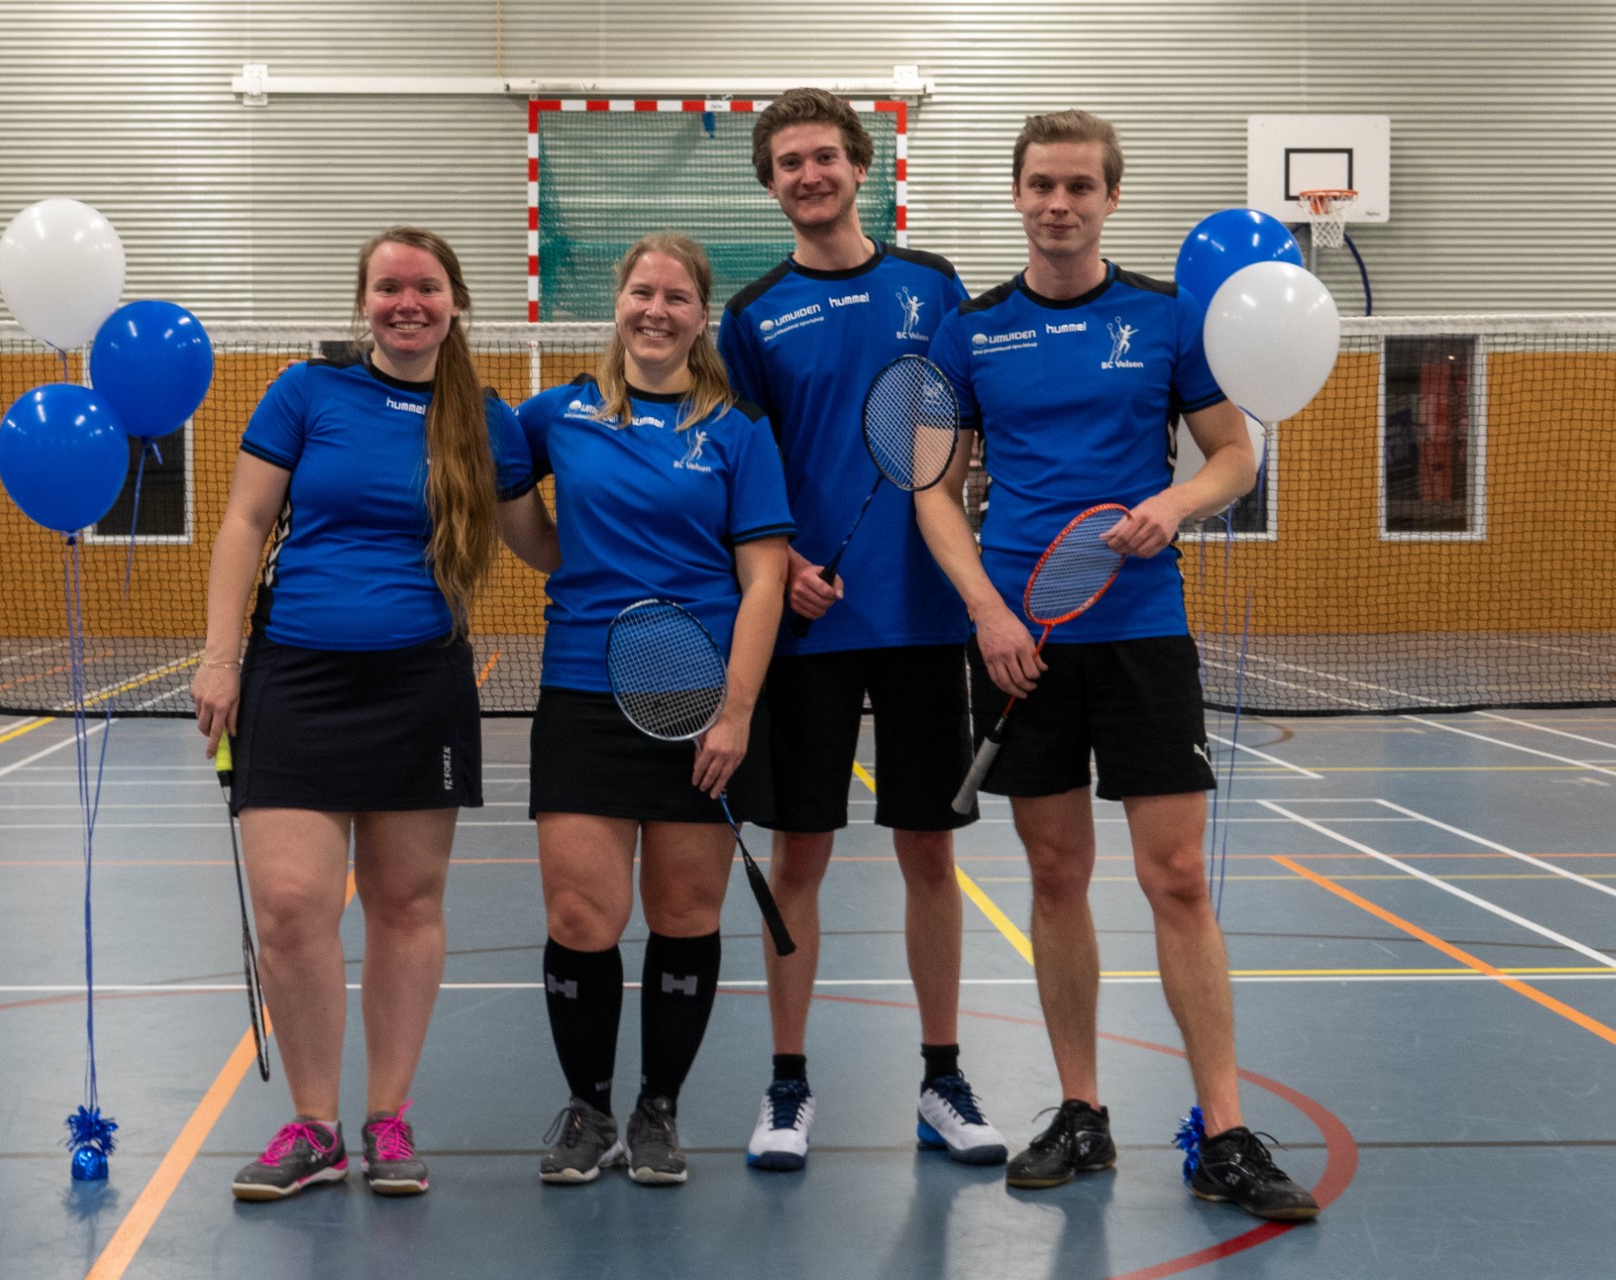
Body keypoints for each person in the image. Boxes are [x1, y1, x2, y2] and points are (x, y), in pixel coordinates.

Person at [915, 111, 1320, 1220]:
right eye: (1041, 183)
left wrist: (1174, 501)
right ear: (1017, 196)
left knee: (1176, 876)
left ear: (1109, 198)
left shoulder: (1165, 317)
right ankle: (1083, 1110)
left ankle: (1224, 1130)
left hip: (1141, 630)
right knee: (1054, 875)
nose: (1060, 202)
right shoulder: (971, 332)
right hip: (1020, 639)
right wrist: (989, 610)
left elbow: (1235, 453)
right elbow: (930, 492)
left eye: (1080, 185)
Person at [191, 227, 557, 1201]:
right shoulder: (305, 394)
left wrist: (674, 546)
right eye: (389, 286)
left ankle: (387, 1117)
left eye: (425, 286)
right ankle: (314, 1125)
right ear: (365, 302)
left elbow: (543, 543)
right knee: (293, 904)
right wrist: (220, 657)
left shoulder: (485, 419)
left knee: (405, 905)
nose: (407, 301)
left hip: (419, 684)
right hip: (296, 679)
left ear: (455, 301)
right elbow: (243, 522)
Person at [716, 87, 1004, 1171]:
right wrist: (782, 562)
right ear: (771, 180)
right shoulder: (751, 316)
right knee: (804, 854)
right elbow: (745, 464)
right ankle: (788, 1086)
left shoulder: (933, 288)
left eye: (824, 156)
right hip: (804, 632)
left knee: (930, 853)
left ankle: (943, 1077)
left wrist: (953, 513)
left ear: (859, 166)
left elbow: (960, 432)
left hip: (926, 619)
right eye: (788, 161)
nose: (809, 174)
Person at [517, 233, 793, 1187]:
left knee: (684, 913)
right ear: (619, 302)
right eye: (643, 292)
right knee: (580, 914)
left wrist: (736, 710)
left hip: (699, 700)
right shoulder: (560, 414)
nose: (657, 310)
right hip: (585, 692)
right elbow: (516, 513)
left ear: (699, 315)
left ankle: (659, 1110)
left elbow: (765, 581)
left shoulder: (738, 430)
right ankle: (589, 1110)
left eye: (678, 297)